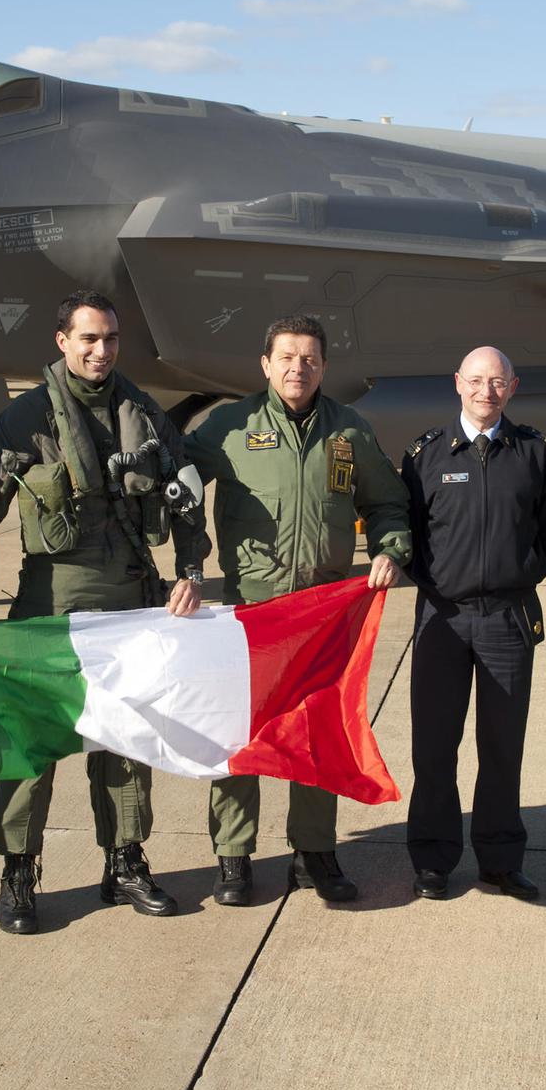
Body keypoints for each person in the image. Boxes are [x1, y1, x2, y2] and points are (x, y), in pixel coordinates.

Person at [0, 290, 210, 935]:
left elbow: (187, 497)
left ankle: (124, 861)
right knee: (29, 740)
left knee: (127, 738)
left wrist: (191, 570)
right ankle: (18, 870)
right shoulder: (27, 418)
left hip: (131, 598)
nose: (101, 351)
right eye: (88, 339)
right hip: (51, 601)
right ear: (62, 341)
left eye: (110, 338)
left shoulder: (145, 414)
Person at [186, 315, 410, 906]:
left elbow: (387, 502)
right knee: (242, 736)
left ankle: (314, 853)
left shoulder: (349, 431)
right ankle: (233, 857)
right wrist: (189, 562)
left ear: (324, 367)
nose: (298, 368)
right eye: (286, 357)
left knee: (317, 735)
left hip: (321, 610)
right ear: (265, 364)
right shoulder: (230, 426)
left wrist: (389, 549)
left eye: (309, 359)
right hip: (251, 612)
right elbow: (178, 489)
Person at [399, 346, 546, 902]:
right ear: (457, 384)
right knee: (434, 746)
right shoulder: (425, 454)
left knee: (502, 746)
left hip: (507, 620)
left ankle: (500, 860)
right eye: (475, 381)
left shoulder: (535, 453)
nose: (485, 391)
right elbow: (410, 533)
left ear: (512, 387)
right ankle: (433, 859)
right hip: (442, 620)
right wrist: (442, 584)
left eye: (496, 381)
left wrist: (516, 574)